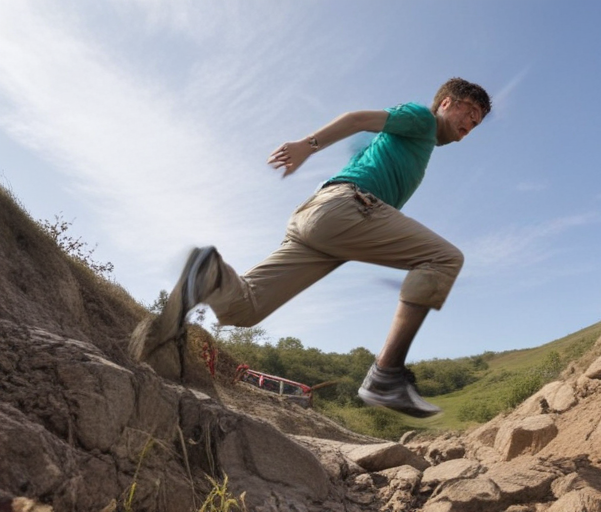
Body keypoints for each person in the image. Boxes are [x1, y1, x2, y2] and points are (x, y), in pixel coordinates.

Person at [159, 77, 491, 418]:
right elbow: (357, 119)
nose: (472, 123)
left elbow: (367, 146)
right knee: (443, 259)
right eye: (470, 111)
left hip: (319, 222)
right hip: (346, 208)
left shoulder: (415, 142)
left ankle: (210, 272)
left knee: (243, 310)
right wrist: (307, 145)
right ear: (446, 103)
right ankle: (386, 376)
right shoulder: (421, 119)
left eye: (478, 121)